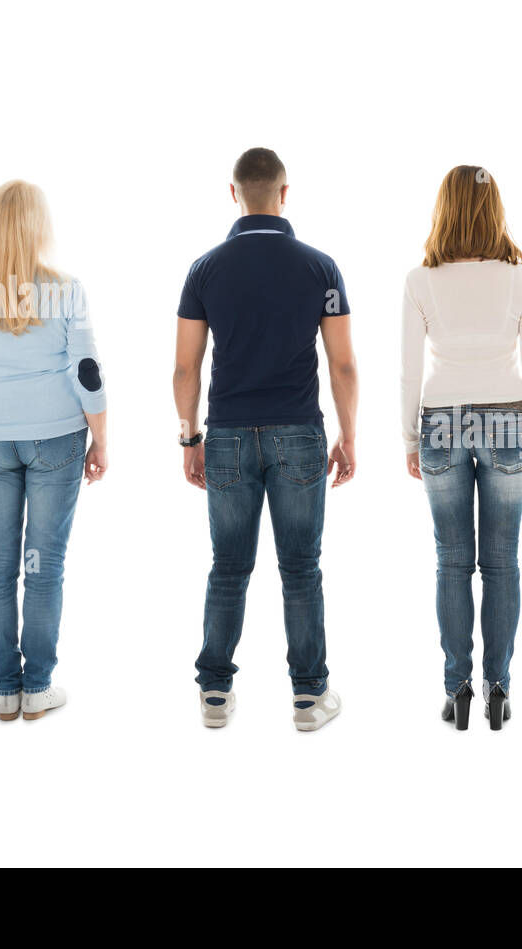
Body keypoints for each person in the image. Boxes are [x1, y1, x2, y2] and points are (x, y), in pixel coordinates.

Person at [175, 147, 357, 731]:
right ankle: (309, 698)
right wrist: (348, 435)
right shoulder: (321, 268)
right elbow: (343, 365)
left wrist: (190, 438)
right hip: (299, 433)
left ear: (234, 194)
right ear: (284, 192)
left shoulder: (204, 270)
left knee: (228, 567)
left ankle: (214, 694)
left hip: (226, 434)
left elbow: (185, 368)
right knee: (301, 568)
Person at [0, 180, 108, 721]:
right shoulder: (66, 289)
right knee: (42, 565)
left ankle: (5, 692)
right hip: (56, 438)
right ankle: (37, 689)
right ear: (40, 225)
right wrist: (102, 440)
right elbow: (88, 372)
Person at [401, 166, 522, 731]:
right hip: (508, 417)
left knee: (452, 560)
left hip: (440, 420)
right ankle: (498, 689)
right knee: (502, 561)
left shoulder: (421, 281)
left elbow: (410, 370)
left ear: (444, 209)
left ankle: (457, 686)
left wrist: (409, 438)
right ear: (495, 211)